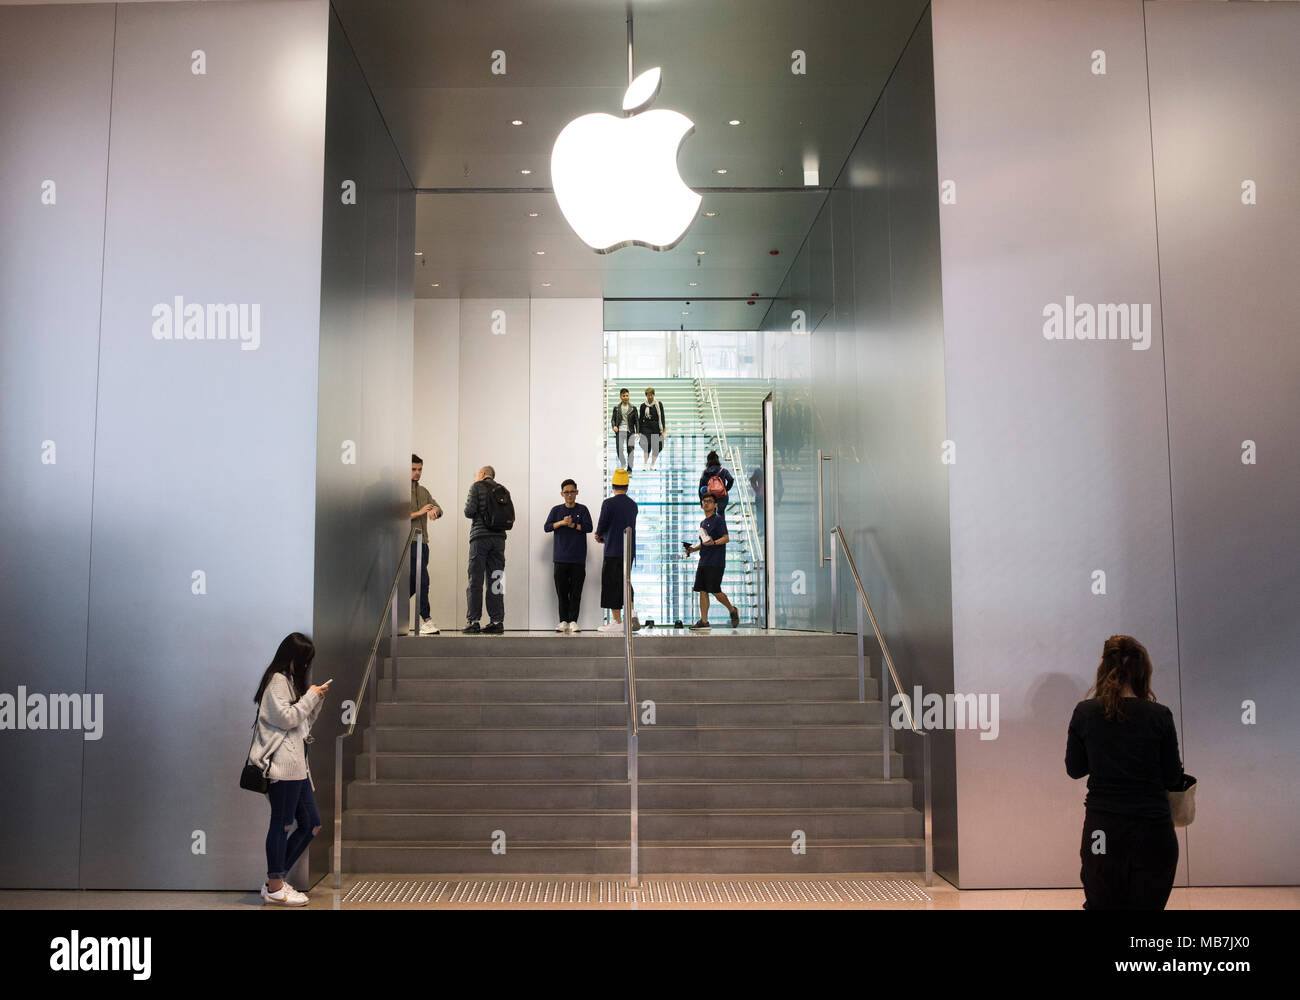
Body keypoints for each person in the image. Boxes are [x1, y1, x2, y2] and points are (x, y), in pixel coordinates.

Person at [1065, 635, 1185, 910]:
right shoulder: (1159, 715)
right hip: (1153, 831)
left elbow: (1075, 769)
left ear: (1104, 670)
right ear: (1143, 672)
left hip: (1102, 832)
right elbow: (1172, 778)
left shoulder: (1085, 713)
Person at [250, 632, 329, 907]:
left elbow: (302, 727)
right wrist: (309, 697)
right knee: (281, 824)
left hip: (298, 769)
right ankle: (275, 886)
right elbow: (286, 719)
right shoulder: (276, 682)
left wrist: (315, 701)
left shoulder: (290, 683)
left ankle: (275, 881)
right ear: (292, 658)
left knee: (312, 824)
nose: (306, 666)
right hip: (282, 769)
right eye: (304, 661)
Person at [683, 494, 740, 630]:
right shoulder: (703, 523)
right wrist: (692, 549)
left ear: (715, 505)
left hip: (716, 562)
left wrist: (714, 542)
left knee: (715, 590)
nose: (706, 503)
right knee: (702, 590)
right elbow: (704, 543)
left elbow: (726, 538)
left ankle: (732, 609)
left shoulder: (718, 520)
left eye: (710, 501)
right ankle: (704, 621)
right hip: (704, 561)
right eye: (705, 501)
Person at [463, 464, 508, 633]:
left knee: (475, 579)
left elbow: (469, 511)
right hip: (498, 539)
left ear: (482, 474)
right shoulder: (503, 490)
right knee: (496, 580)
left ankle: (473, 621)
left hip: (480, 537)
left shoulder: (477, 486)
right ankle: (497, 621)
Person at [543, 478, 593, 632]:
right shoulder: (556, 510)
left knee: (576, 592)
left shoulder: (583, 509)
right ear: (562, 494)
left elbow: (589, 528)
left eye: (572, 492)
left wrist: (573, 525)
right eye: (566, 492)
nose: (569, 495)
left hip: (578, 559)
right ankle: (563, 620)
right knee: (562, 592)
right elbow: (547, 527)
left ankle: (573, 621)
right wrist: (562, 523)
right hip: (560, 558)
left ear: (577, 492)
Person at [594, 468, 639, 633]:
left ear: (613, 486)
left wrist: (599, 536)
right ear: (627, 486)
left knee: (611, 585)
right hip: (629, 550)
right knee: (625, 581)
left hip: (612, 550)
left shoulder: (608, 504)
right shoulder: (633, 505)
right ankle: (632, 612)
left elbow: (602, 526)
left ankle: (618, 621)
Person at [409, 453, 443, 635]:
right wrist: (420, 512)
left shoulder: (423, 491)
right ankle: (426, 619)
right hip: (409, 542)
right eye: (414, 469)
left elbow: (438, 507)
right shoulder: (399, 489)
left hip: (423, 543)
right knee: (423, 580)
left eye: (420, 469)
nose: (417, 473)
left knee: (417, 582)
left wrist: (435, 511)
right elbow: (395, 514)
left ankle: (389, 610)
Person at [610, 387, 638, 473]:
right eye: (624, 396)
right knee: (619, 449)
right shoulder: (616, 408)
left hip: (630, 431)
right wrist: (614, 426)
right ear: (620, 397)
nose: (626, 397)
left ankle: (629, 469)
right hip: (620, 431)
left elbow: (637, 421)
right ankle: (623, 463)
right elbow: (613, 419)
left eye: (627, 395)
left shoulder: (633, 408)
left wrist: (637, 432)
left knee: (630, 450)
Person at [638, 387, 667, 470]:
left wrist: (664, 431)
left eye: (651, 395)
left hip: (656, 428)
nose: (650, 397)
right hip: (646, 428)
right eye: (648, 395)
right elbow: (640, 419)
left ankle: (652, 464)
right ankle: (645, 464)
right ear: (646, 396)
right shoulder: (643, 406)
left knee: (656, 447)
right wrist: (639, 431)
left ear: (654, 395)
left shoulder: (659, 404)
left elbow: (662, 417)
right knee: (646, 445)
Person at [698, 450, 735, 514]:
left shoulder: (705, 472)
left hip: (710, 498)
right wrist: (725, 489)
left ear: (708, 461)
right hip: (722, 497)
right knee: (721, 513)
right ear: (717, 460)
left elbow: (700, 487)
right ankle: (721, 523)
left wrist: (701, 501)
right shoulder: (723, 470)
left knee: (711, 516)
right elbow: (731, 479)